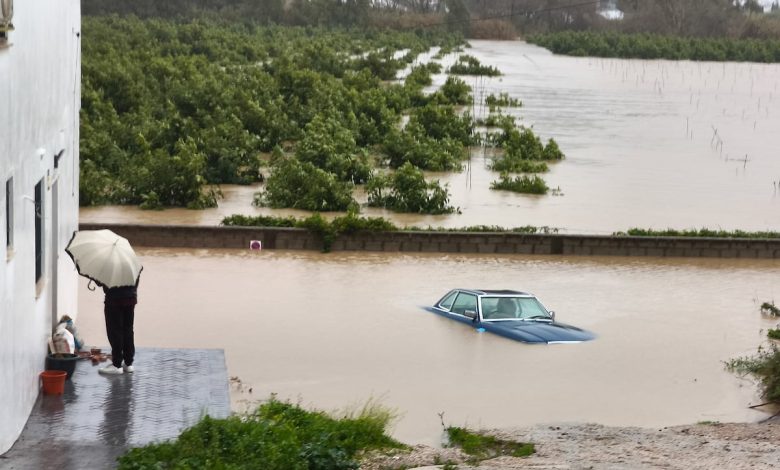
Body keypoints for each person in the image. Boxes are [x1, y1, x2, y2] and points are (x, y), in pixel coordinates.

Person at [98, 279, 138, 375]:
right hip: (130, 298)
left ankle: (117, 365)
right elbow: (135, 280)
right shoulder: (131, 269)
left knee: (115, 331)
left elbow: (101, 281)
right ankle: (128, 363)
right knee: (128, 330)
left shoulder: (110, 269)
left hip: (114, 300)